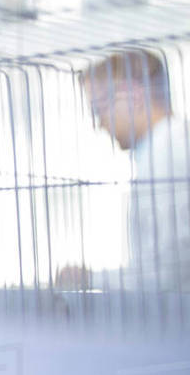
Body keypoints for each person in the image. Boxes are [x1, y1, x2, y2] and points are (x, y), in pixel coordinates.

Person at [56, 49, 190, 292]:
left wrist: (88, 280)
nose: (99, 125)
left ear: (133, 95)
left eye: (99, 109)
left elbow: (167, 277)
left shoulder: (166, 159)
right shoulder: (166, 148)